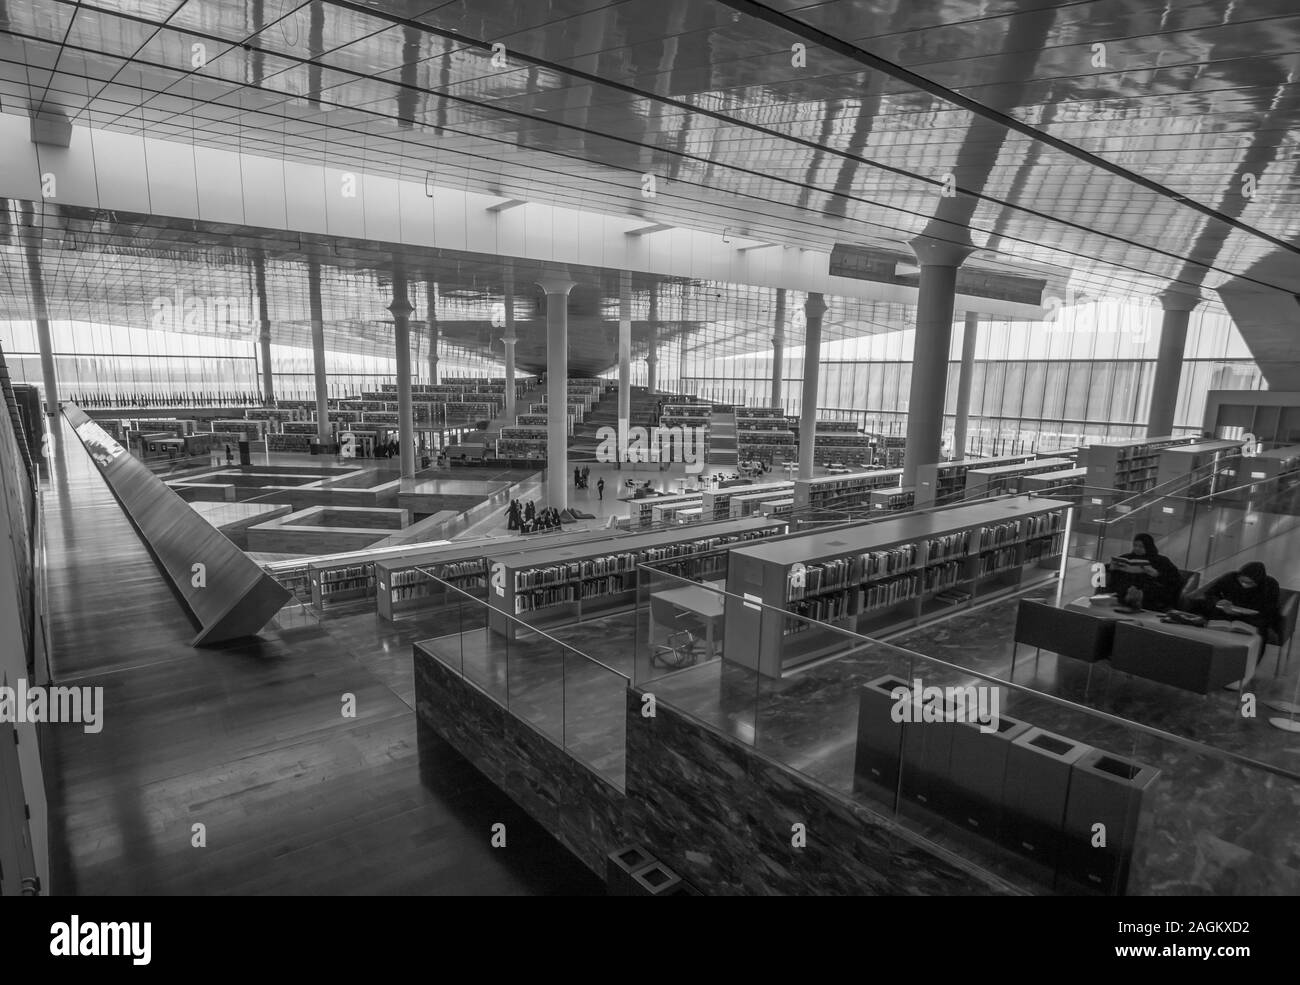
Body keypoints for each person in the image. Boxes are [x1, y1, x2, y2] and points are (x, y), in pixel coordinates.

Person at [1188, 562, 1282, 638]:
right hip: (1227, 612)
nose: (1244, 585)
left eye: (1250, 583)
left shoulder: (1270, 585)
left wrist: (1247, 612)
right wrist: (1219, 602)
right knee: (1201, 607)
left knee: (1262, 626)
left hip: (1253, 618)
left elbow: (1270, 609)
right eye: (1241, 581)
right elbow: (1211, 592)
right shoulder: (1230, 578)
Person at [1106, 533, 1184, 611]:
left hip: (1149, 589)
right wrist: (1112, 569)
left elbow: (1176, 579)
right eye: (1135, 546)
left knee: (1149, 590)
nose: (1137, 548)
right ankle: (1130, 598)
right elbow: (1112, 573)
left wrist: (1156, 574)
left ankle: (1133, 598)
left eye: (1141, 546)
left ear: (1148, 547)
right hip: (1128, 587)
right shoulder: (1127, 557)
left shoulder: (1161, 560)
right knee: (1125, 586)